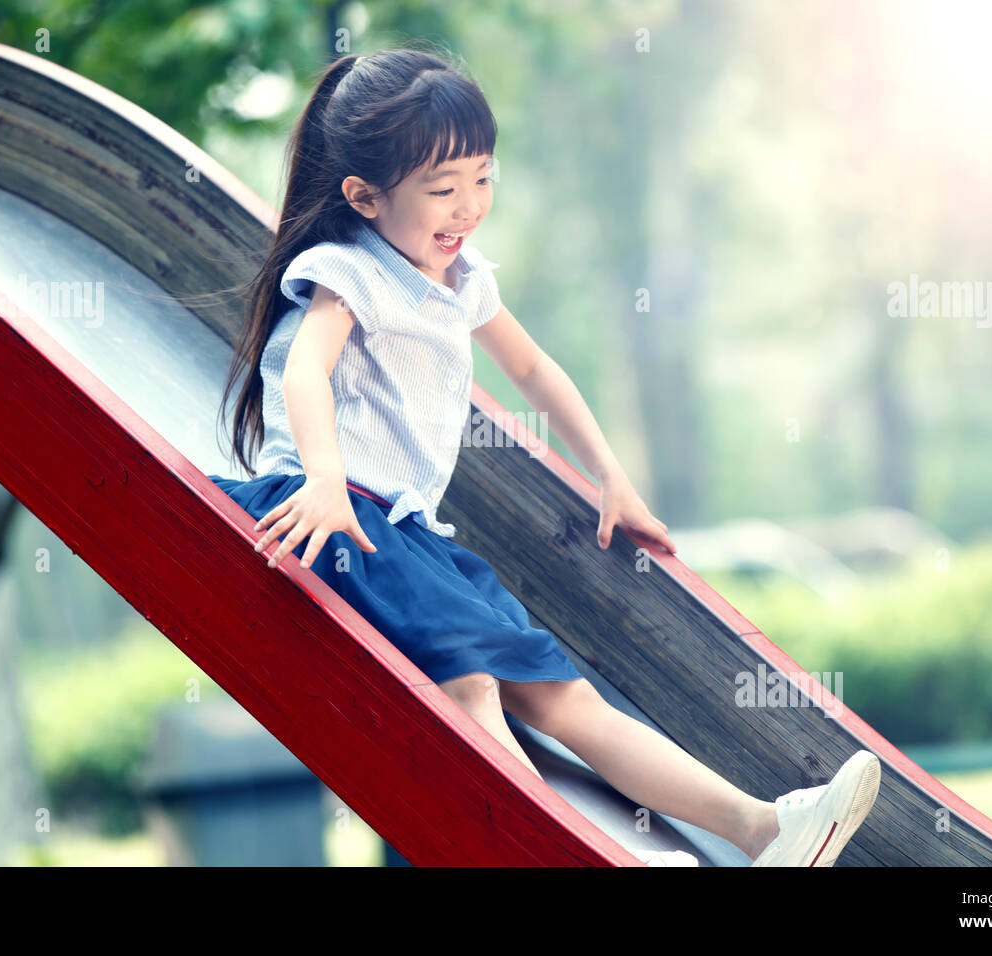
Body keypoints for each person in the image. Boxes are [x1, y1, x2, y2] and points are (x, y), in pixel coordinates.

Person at [209, 47, 880, 866]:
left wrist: (612, 476)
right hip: (335, 512)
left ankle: (764, 828)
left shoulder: (460, 275)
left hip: (410, 535)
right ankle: (561, 850)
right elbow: (308, 368)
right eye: (442, 190)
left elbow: (533, 369)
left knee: (562, 696)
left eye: (483, 178)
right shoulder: (347, 271)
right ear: (364, 196)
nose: (468, 207)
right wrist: (320, 480)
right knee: (471, 684)